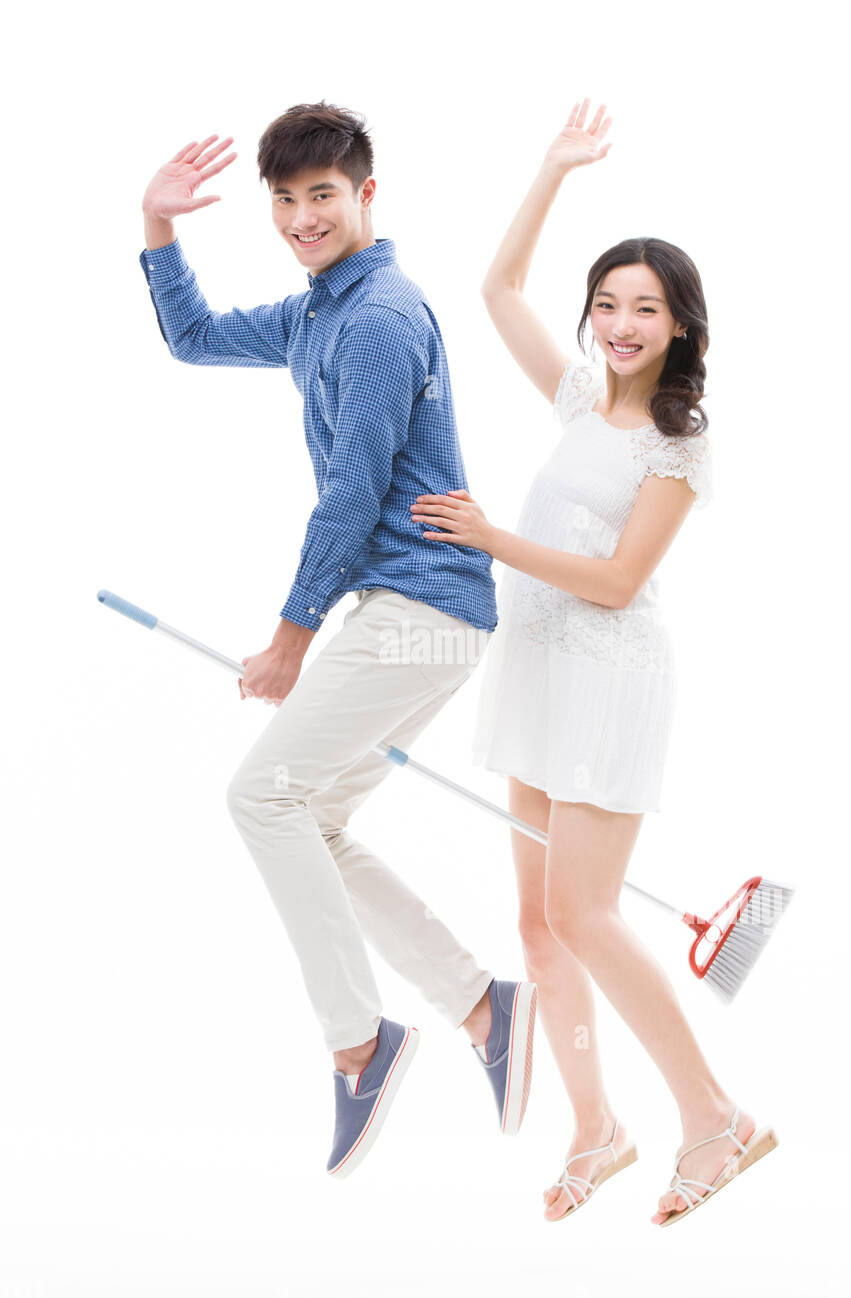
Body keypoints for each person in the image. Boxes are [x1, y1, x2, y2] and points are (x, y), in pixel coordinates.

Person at [138, 102, 537, 1180]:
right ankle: (481, 1007)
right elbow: (192, 338)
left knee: (260, 798)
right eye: (286, 198)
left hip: (419, 606)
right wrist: (157, 224)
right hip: (422, 614)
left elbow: (354, 493)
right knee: (304, 815)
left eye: (324, 194)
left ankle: (360, 1043)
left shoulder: (376, 318)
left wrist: (289, 639)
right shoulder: (319, 312)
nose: (303, 215)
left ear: (367, 195)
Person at [409, 97, 777, 1226]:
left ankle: (715, 1117)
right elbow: (496, 291)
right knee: (537, 921)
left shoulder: (678, 440)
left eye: (644, 309)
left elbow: (617, 580)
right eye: (606, 304)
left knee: (585, 912)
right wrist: (551, 168)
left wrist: (488, 538)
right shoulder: (577, 399)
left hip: (610, 675)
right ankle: (595, 1126)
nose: (619, 324)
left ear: (679, 327)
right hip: (537, 668)